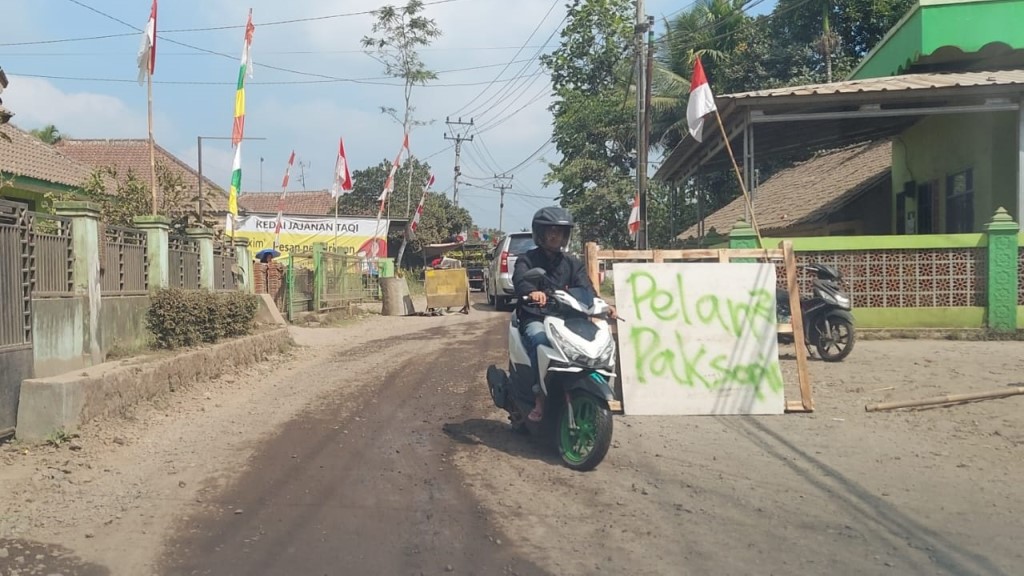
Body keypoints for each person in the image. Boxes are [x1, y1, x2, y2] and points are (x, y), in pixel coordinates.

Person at [513, 206, 616, 422]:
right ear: (539, 233)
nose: (555, 235)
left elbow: (587, 288)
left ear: (566, 236)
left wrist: (603, 305)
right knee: (540, 341)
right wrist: (532, 293)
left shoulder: (573, 263)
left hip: (567, 320)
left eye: (560, 232)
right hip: (537, 317)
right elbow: (521, 280)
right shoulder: (527, 259)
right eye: (550, 231)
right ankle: (539, 396)